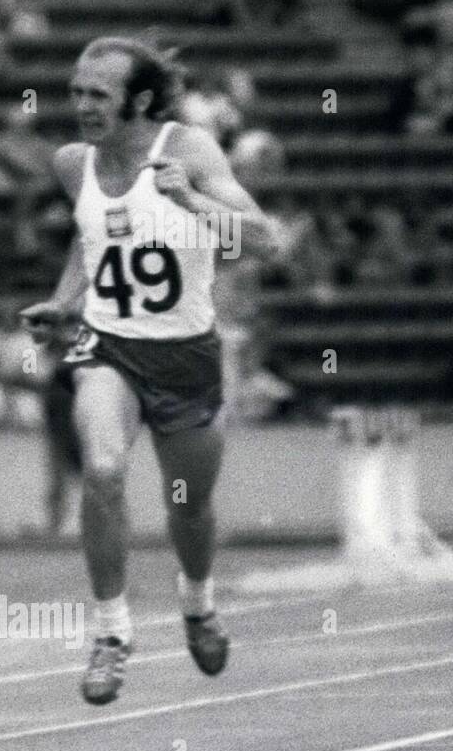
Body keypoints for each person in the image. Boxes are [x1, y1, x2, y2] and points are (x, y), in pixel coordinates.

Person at [20, 36, 296, 706]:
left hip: (186, 355)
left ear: (139, 100)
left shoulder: (189, 150)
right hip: (108, 349)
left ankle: (198, 602)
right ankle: (111, 631)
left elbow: (265, 241)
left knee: (189, 506)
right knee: (105, 469)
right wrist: (64, 302)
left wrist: (195, 203)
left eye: (98, 95)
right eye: (76, 92)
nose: (82, 106)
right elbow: (92, 241)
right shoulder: (71, 163)